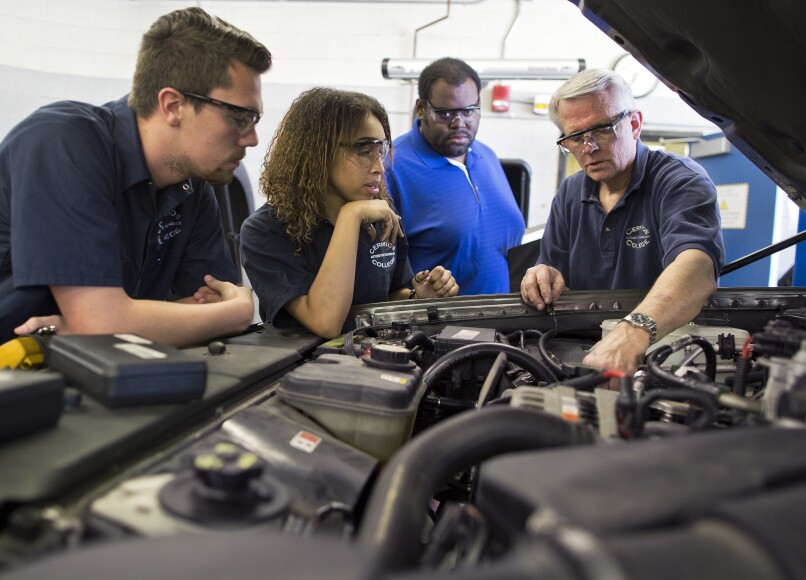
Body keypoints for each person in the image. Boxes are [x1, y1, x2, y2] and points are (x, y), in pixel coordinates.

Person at [0, 7, 271, 347]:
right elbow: (101, 322)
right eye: (240, 117)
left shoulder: (194, 184)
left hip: (94, 372)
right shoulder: (61, 142)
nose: (252, 139)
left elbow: (210, 301)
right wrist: (238, 311)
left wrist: (105, 322)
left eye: (255, 119)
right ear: (172, 106)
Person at [520, 68, 724, 374]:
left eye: (601, 129)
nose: (587, 148)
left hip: (668, 351)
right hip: (585, 350)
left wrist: (634, 330)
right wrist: (542, 275)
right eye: (575, 137)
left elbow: (696, 268)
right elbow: (554, 270)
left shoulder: (679, 180)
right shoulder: (571, 193)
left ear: (635, 124)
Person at [239, 88, 458, 339]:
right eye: (365, 153)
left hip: (376, 358)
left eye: (381, 152)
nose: (378, 168)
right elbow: (325, 321)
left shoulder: (381, 214)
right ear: (318, 153)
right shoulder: (265, 230)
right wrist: (350, 218)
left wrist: (417, 297)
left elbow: (388, 294)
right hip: (307, 371)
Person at [384, 57, 525, 295]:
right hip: (438, 328)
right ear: (421, 108)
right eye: (445, 114)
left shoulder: (486, 155)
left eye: (469, 111)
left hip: (503, 324)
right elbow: (378, 277)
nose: (459, 123)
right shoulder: (392, 167)